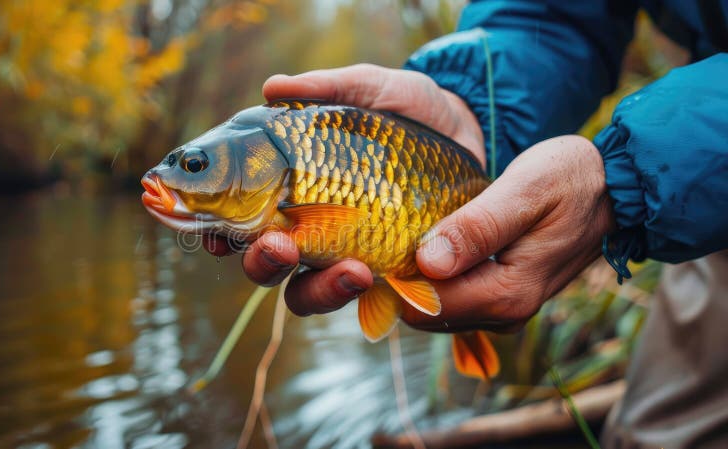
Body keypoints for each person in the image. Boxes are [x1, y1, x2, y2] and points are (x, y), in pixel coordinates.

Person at [206, 2, 728, 447]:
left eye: (196, 165)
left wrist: (619, 181)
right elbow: (553, 13)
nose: (179, 174)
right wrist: (476, 104)